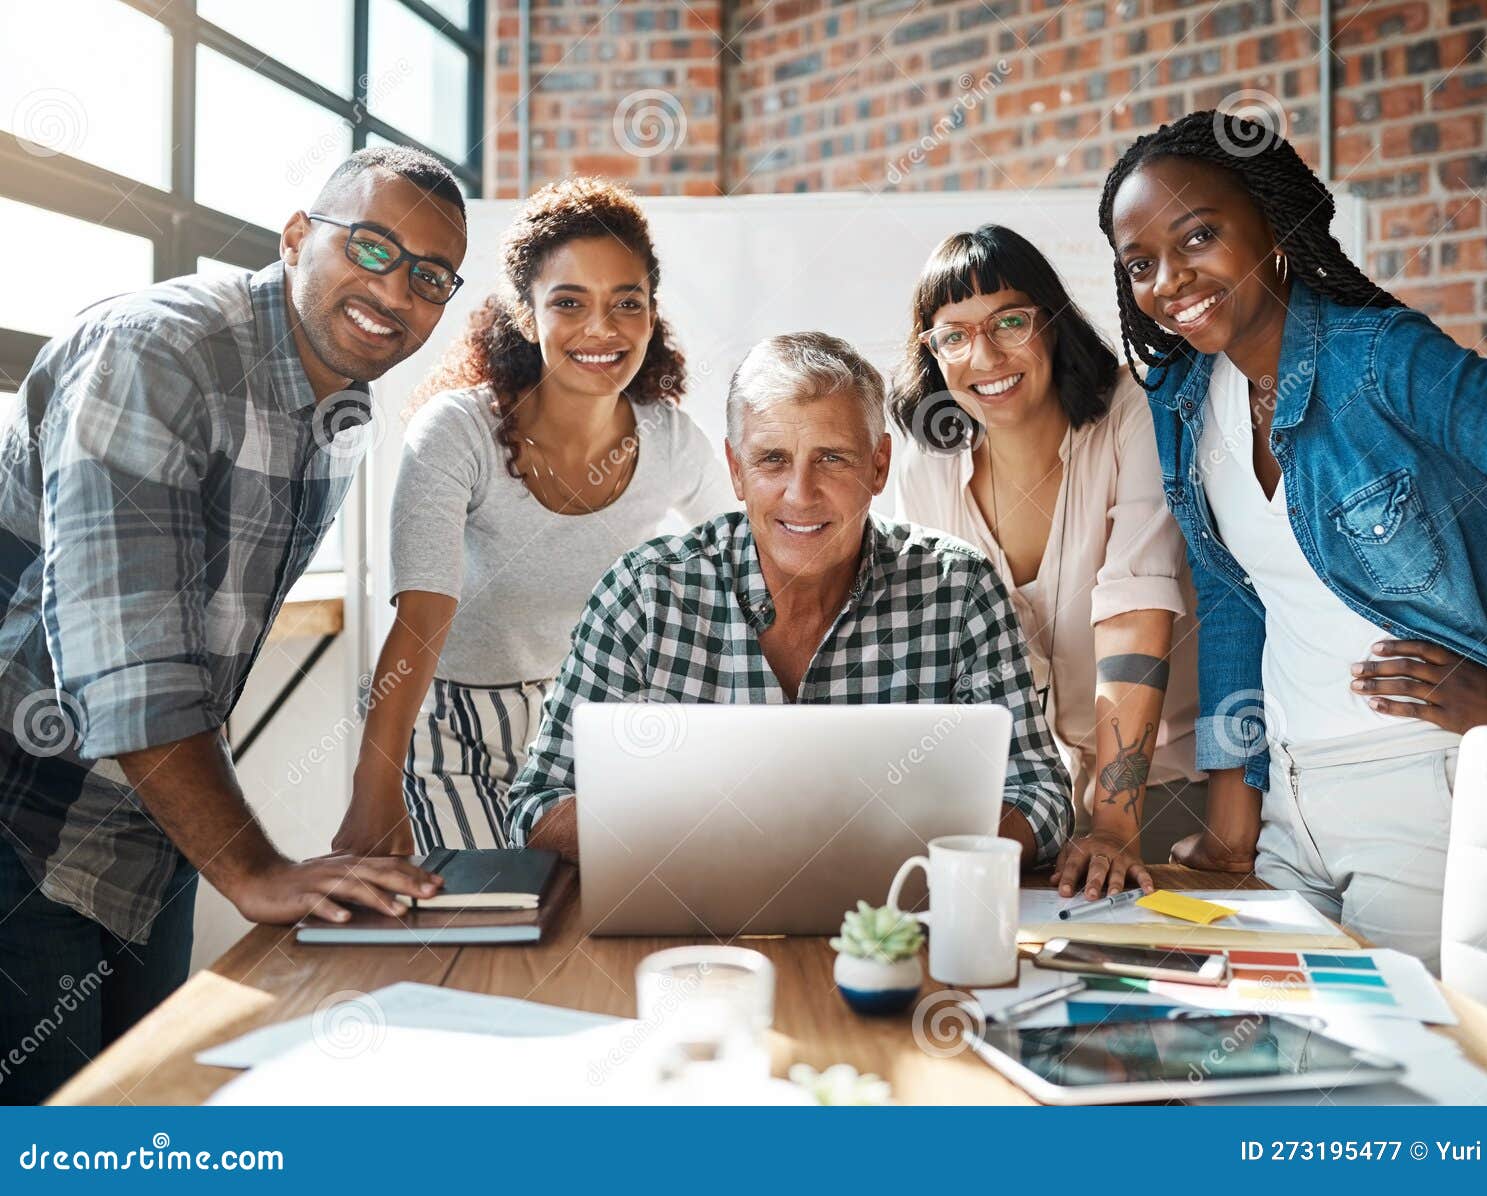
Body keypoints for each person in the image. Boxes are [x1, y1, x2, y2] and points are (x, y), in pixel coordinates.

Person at [0, 147, 467, 1104]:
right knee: (51, 1139)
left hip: (145, 833)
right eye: (373, 248)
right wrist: (253, 867)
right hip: (20, 821)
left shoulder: (341, 403)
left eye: (429, 278)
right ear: (297, 238)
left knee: (143, 1122)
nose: (396, 291)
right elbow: (130, 656)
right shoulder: (155, 350)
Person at [1101, 110, 1487, 970]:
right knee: (1265, 1071)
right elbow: (1232, 604)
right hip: (1291, 808)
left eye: (1199, 237)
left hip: (1430, 795)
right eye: (1140, 264)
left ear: (1273, 221)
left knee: (1410, 1082)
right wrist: (1231, 827)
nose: (1169, 280)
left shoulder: (1383, 360)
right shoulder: (1183, 398)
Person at [504, 331, 1073, 866]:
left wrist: (916, 858)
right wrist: (705, 848)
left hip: (897, 925)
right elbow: (539, 805)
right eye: (773, 460)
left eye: (831, 458)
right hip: (691, 924)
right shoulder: (645, 593)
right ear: (735, 469)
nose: (801, 495)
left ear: (878, 466)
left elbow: (1040, 794)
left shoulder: (958, 589)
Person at [334, 178, 735, 856]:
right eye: (569, 302)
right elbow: (421, 618)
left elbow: (746, 563)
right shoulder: (457, 433)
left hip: (592, 729)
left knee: (588, 919)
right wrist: (372, 793)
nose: (602, 329)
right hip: (454, 728)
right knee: (491, 917)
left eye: (625, 303)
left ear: (651, 313)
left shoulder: (670, 442)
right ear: (527, 314)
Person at [891, 224, 1205, 901]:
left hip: (1184, 786)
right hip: (1051, 803)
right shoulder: (929, 470)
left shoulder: (1131, 412)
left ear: (1052, 323)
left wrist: (1116, 830)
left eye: (1009, 321)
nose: (984, 354)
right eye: (954, 334)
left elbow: (1134, 617)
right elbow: (939, 657)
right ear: (933, 353)